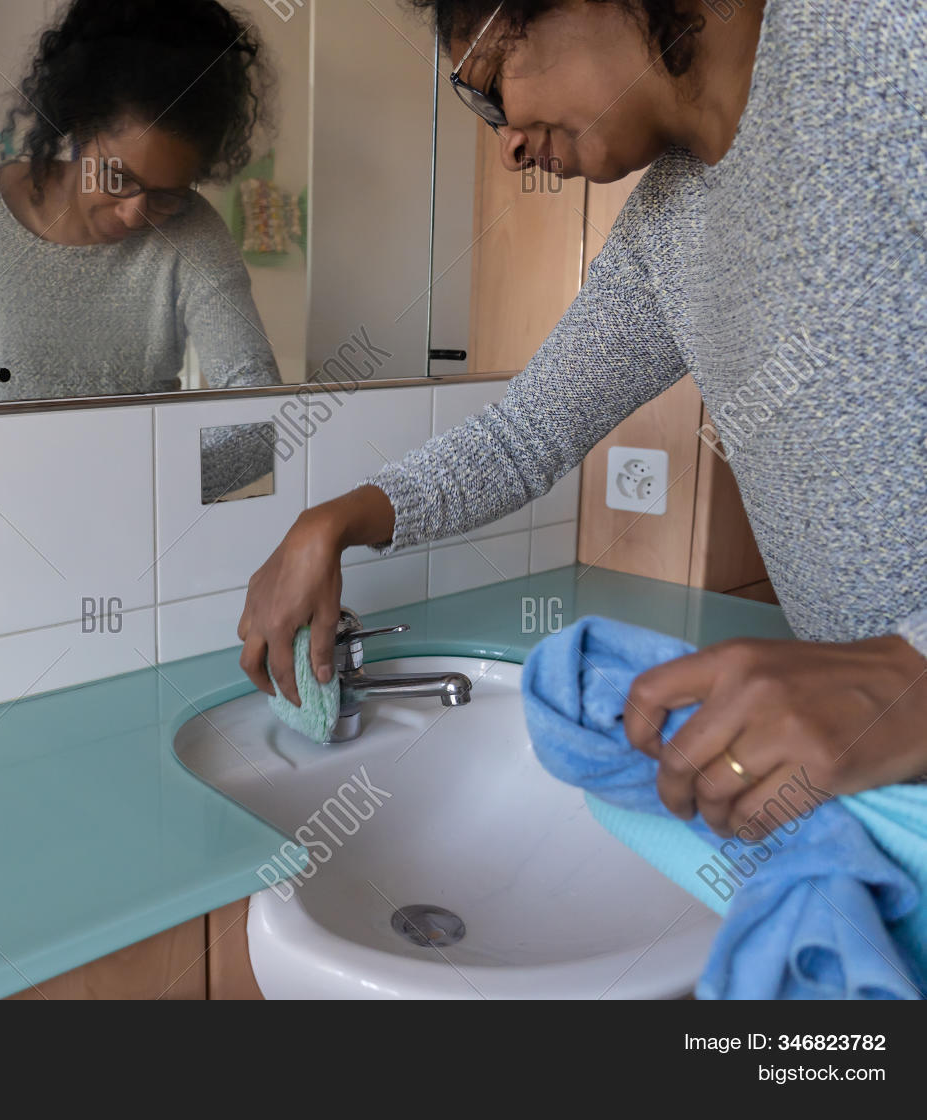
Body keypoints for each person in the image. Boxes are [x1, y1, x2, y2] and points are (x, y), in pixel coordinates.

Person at [237, 0, 927, 837]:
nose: (509, 143)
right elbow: (526, 434)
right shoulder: (665, 230)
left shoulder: (887, 42)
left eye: (492, 84)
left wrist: (908, 673)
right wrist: (336, 520)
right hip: (882, 769)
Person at [0, 0, 281, 419]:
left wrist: (157, 479)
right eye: (119, 178)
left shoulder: (193, 233)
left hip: (142, 484)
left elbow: (260, 410)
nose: (137, 214)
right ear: (80, 131)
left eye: (167, 194)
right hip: (2, 481)